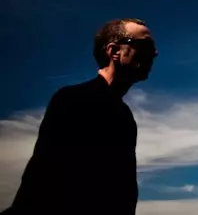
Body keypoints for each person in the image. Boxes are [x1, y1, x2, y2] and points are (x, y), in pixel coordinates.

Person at [2, 18, 158, 215]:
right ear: (114, 51)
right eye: (145, 46)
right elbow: (42, 177)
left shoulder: (124, 116)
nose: (154, 53)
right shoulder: (73, 99)